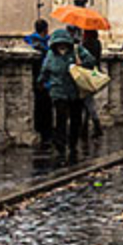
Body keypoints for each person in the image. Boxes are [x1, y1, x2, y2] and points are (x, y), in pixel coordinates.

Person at [39, 27, 95, 161]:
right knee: (60, 119)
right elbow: (45, 69)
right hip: (58, 91)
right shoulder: (51, 54)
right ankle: (61, 145)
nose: (61, 46)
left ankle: (73, 143)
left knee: (76, 119)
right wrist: (41, 81)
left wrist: (82, 63)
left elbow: (91, 61)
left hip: (75, 91)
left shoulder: (77, 50)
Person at [24, 17, 53, 146]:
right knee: (46, 108)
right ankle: (46, 133)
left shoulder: (29, 41)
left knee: (38, 107)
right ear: (45, 30)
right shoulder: (48, 44)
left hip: (34, 79)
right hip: (46, 80)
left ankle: (40, 130)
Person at [80, 27, 103, 140]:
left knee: (87, 101)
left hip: (85, 75)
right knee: (88, 100)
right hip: (94, 74)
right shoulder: (98, 43)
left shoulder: (85, 45)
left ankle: (94, 125)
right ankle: (88, 126)